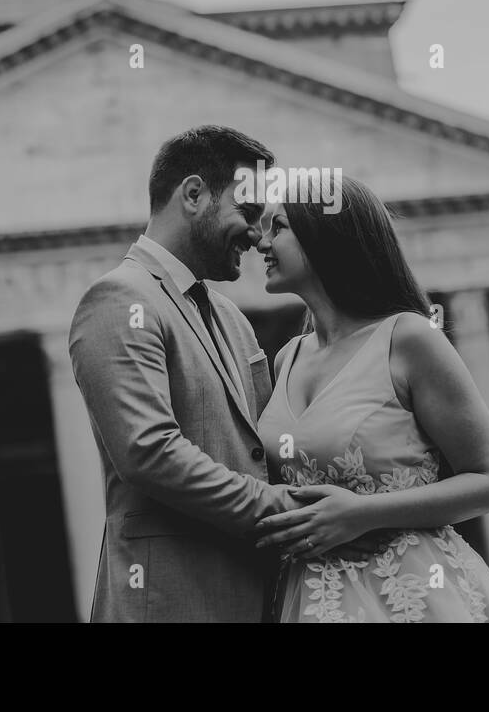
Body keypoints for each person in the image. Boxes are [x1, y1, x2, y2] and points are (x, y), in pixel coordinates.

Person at [68, 126, 385, 622]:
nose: (258, 235)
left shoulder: (231, 317)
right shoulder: (119, 299)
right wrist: (289, 510)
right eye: (248, 212)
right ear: (194, 195)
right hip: (172, 604)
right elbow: (149, 453)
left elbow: (268, 442)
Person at [252, 175, 489, 622]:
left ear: (327, 234)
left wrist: (364, 513)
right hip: (308, 595)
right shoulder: (287, 357)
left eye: (278, 227)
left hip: (411, 591)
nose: (260, 242)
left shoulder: (409, 338)